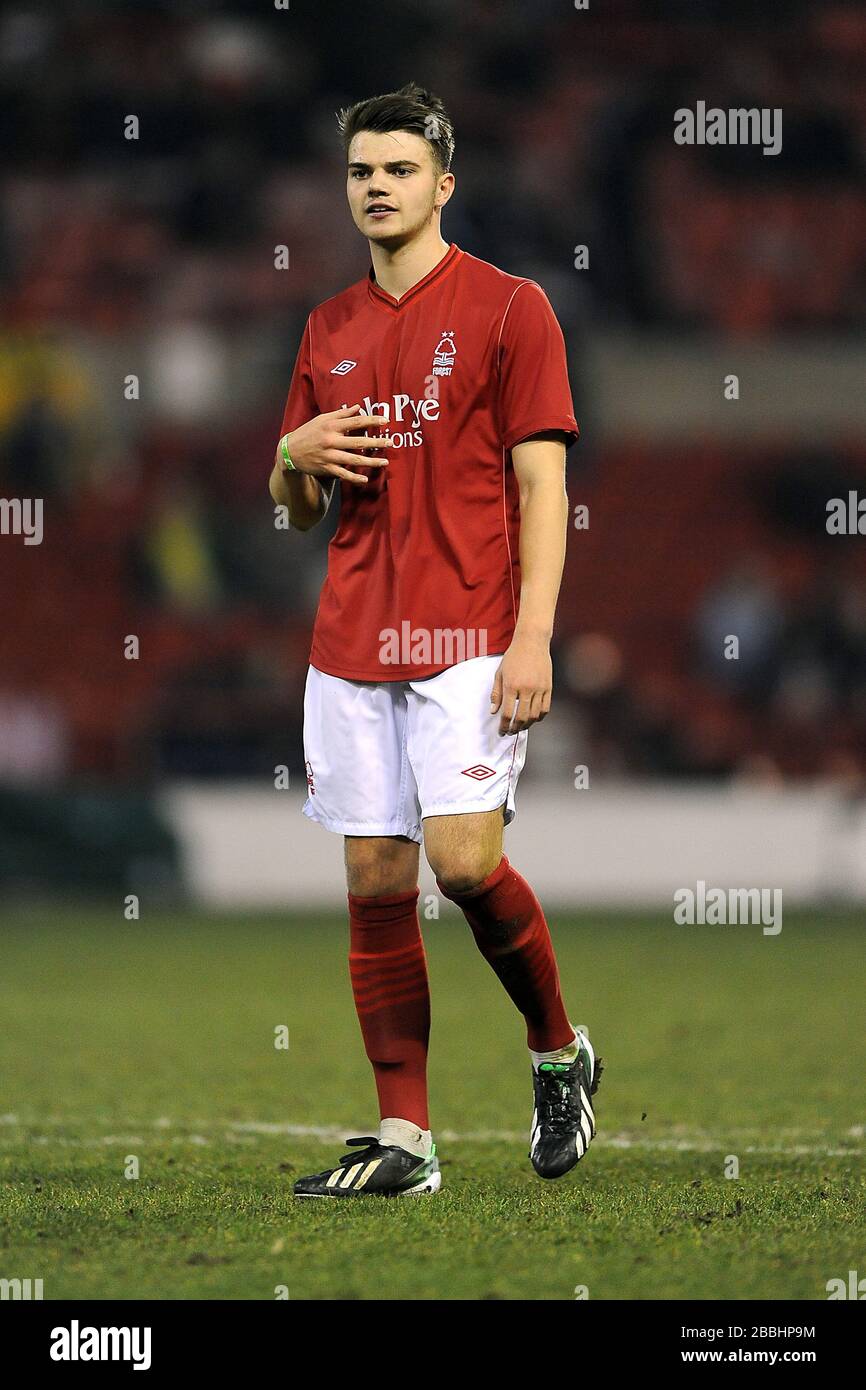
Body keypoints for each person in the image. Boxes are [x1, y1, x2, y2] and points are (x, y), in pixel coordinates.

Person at [270, 82, 601, 1197]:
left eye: (398, 169)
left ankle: (557, 1050)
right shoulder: (325, 328)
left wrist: (534, 638)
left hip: (468, 632)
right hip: (350, 639)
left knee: (460, 865)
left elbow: (540, 487)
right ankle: (403, 1140)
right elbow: (301, 507)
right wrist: (287, 460)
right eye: (361, 170)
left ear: (442, 184)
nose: (376, 186)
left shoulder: (512, 310)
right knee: (373, 880)